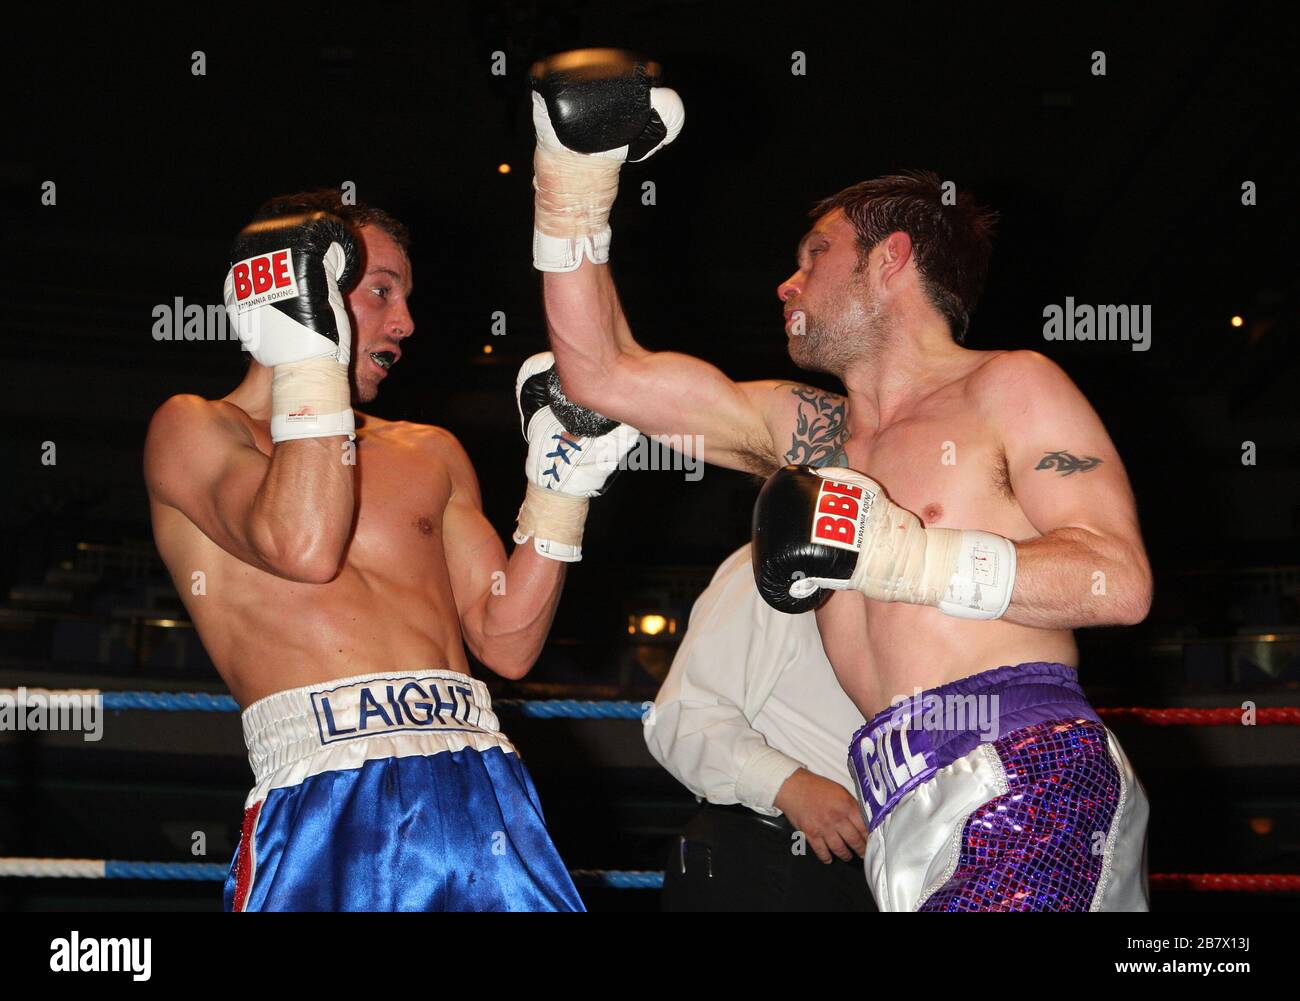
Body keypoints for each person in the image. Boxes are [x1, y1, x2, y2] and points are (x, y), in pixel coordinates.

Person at [529, 50, 1151, 911]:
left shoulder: (1008, 385)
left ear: (891, 259)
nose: (786, 281)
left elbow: (1115, 582)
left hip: (1022, 773)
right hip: (893, 809)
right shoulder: (807, 433)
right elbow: (602, 375)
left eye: (815, 253)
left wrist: (905, 558)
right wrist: (571, 183)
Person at [144, 190, 636, 911]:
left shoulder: (430, 450)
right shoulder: (195, 429)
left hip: (483, 781)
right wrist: (308, 350)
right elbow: (303, 544)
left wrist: (563, 486)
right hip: (325, 798)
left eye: (405, 296)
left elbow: (508, 642)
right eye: (381, 290)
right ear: (304, 280)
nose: (405, 322)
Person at [646, 544, 874, 912]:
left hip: (862, 870)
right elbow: (682, 715)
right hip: (766, 855)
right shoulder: (779, 559)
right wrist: (789, 785)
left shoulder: (924, 574)